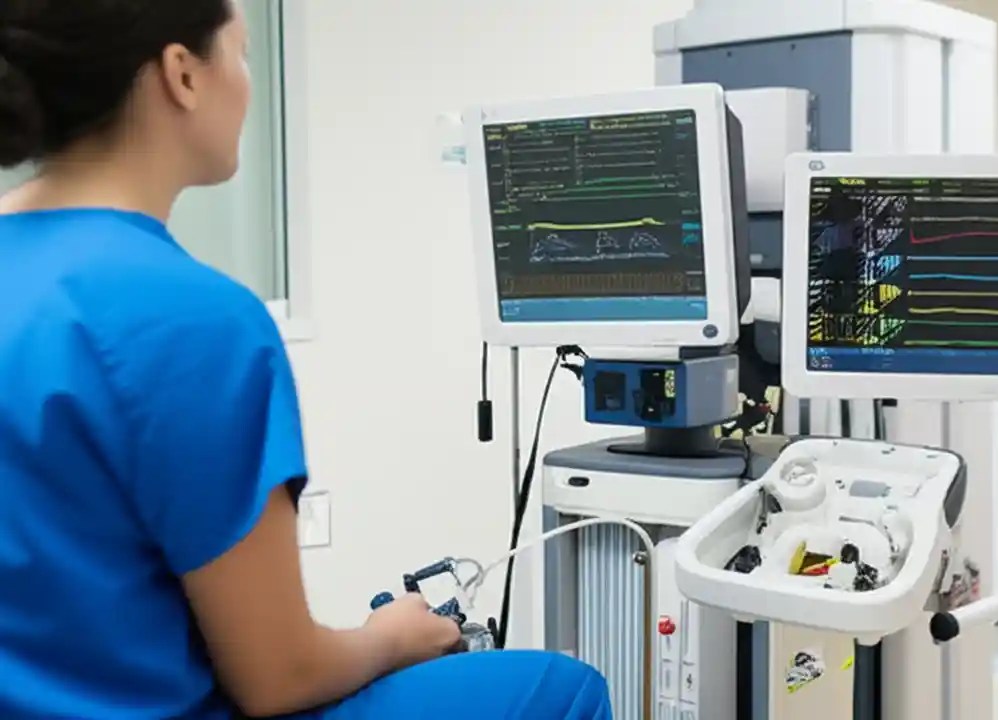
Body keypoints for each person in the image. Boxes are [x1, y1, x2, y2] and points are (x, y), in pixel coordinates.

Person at [0, 1, 611, 718]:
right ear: (182, 75)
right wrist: (391, 636)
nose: (247, 81)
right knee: (562, 688)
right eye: (241, 53)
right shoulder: (188, 317)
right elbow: (278, 678)